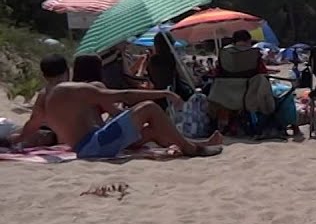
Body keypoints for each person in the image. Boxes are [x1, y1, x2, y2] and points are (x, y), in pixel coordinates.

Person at [18, 54, 222, 159]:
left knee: (151, 128)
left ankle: (194, 143)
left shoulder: (43, 97)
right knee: (149, 107)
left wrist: (14, 141)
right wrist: (164, 92)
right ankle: (191, 148)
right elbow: (122, 95)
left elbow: (32, 125)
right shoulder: (70, 90)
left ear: (44, 75)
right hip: (95, 145)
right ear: (67, 70)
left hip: (85, 147)